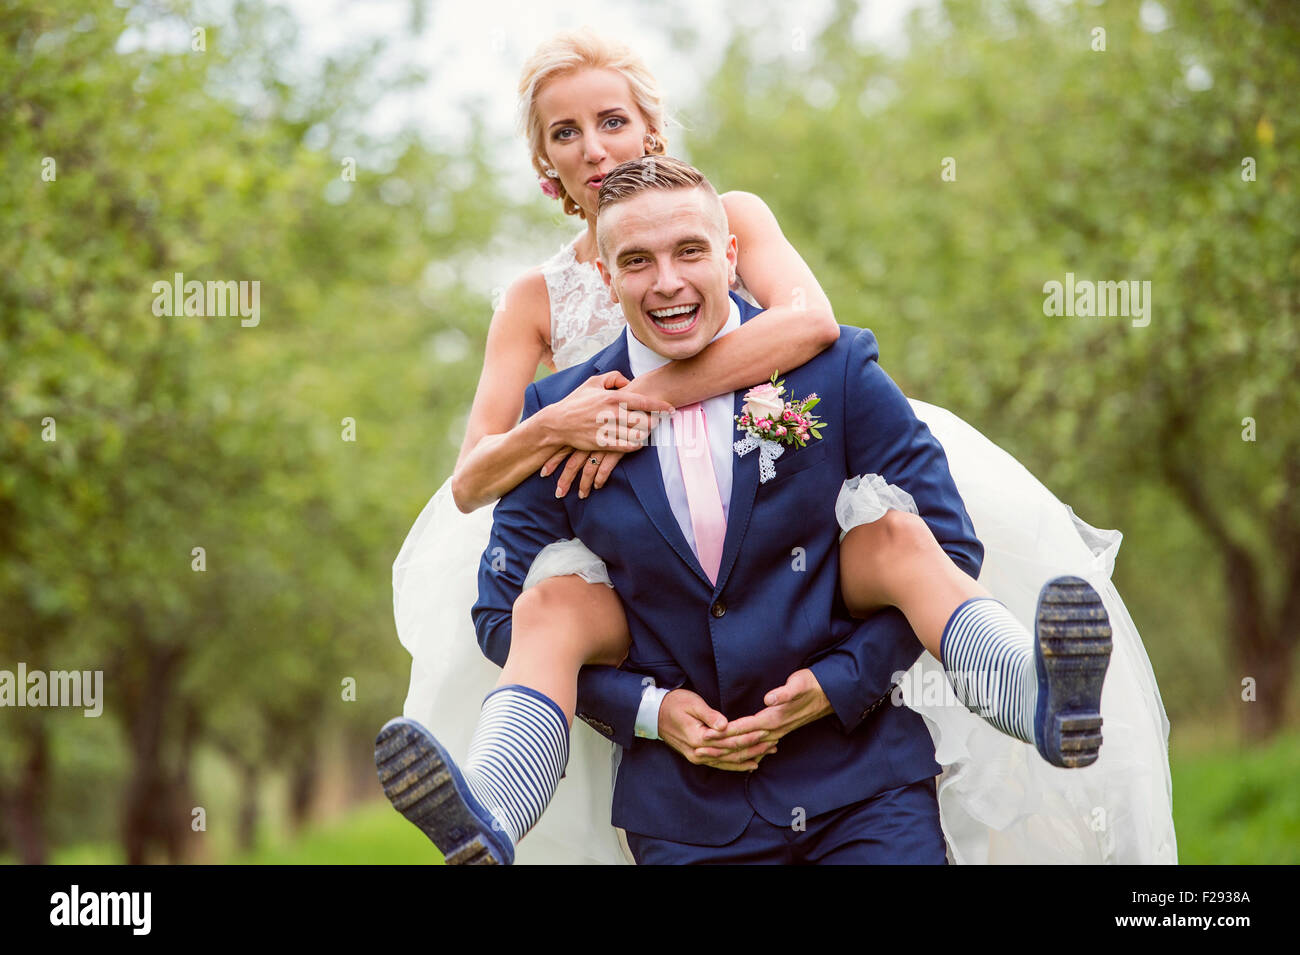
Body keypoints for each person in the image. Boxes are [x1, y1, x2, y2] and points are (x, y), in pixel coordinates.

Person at [382, 30, 1175, 864]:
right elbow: (475, 480)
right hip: (635, 575)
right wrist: (562, 423)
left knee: (902, 540)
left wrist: (646, 397)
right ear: (546, 166)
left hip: (797, 561)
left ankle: (1039, 697)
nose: (594, 148)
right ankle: (491, 816)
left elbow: (811, 323)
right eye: (565, 133)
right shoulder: (540, 313)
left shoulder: (774, 281)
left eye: (610, 121)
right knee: (546, 607)